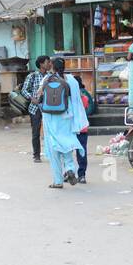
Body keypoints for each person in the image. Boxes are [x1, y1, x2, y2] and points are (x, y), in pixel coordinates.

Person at [41, 57, 88, 188]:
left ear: (52, 67)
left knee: (54, 148)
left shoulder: (47, 79)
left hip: (51, 118)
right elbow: (77, 100)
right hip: (67, 116)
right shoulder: (72, 80)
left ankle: (58, 181)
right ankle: (71, 169)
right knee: (66, 144)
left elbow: (40, 96)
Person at [23, 55, 49, 164]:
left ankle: (51, 153)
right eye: (47, 62)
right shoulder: (32, 76)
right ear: (41, 64)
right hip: (35, 108)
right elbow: (24, 90)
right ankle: (36, 155)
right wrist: (31, 98)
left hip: (48, 107)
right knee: (36, 133)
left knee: (50, 132)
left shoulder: (50, 76)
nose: (49, 64)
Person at [76, 79, 94, 184]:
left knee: (67, 153)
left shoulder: (69, 99)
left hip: (71, 129)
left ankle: (68, 172)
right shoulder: (84, 98)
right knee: (82, 152)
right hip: (82, 128)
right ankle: (82, 175)